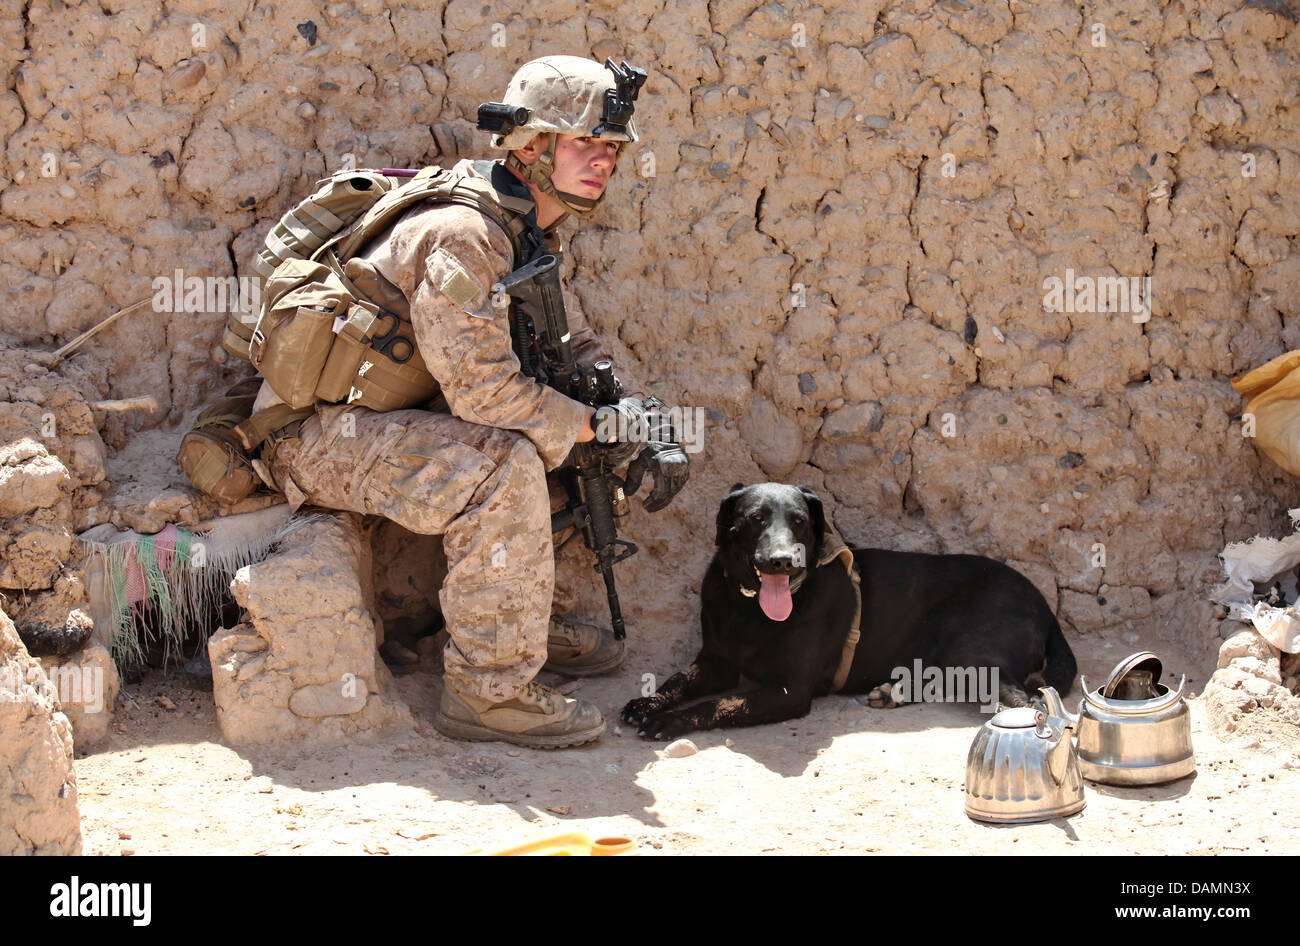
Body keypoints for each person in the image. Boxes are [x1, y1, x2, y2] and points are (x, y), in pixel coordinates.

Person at [257, 55, 689, 748]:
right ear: (530, 144)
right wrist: (593, 425)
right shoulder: (466, 233)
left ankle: (515, 620)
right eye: (586, 144)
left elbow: (541, 349)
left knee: (563, 433)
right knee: (503, 462)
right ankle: (489, 691)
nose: (603, 162)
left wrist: (631, 412)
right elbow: (486, 392)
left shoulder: (522, 224)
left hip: (381, 421)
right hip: (312, 439)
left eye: (611, 148)